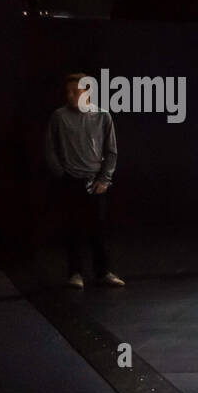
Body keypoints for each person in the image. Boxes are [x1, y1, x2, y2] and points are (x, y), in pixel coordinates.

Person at [43, 71, 125, 288]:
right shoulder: (59, 117)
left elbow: (111, 151)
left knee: (98, 229)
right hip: (70, 181)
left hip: (95, 182)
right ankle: (75, 273)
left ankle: (103, 272)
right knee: (73, 229)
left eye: (74, 91)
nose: (69, 95)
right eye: (67, 92)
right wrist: (62, 175)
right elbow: (50, 149)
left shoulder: (102, 116)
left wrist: (105, 179)